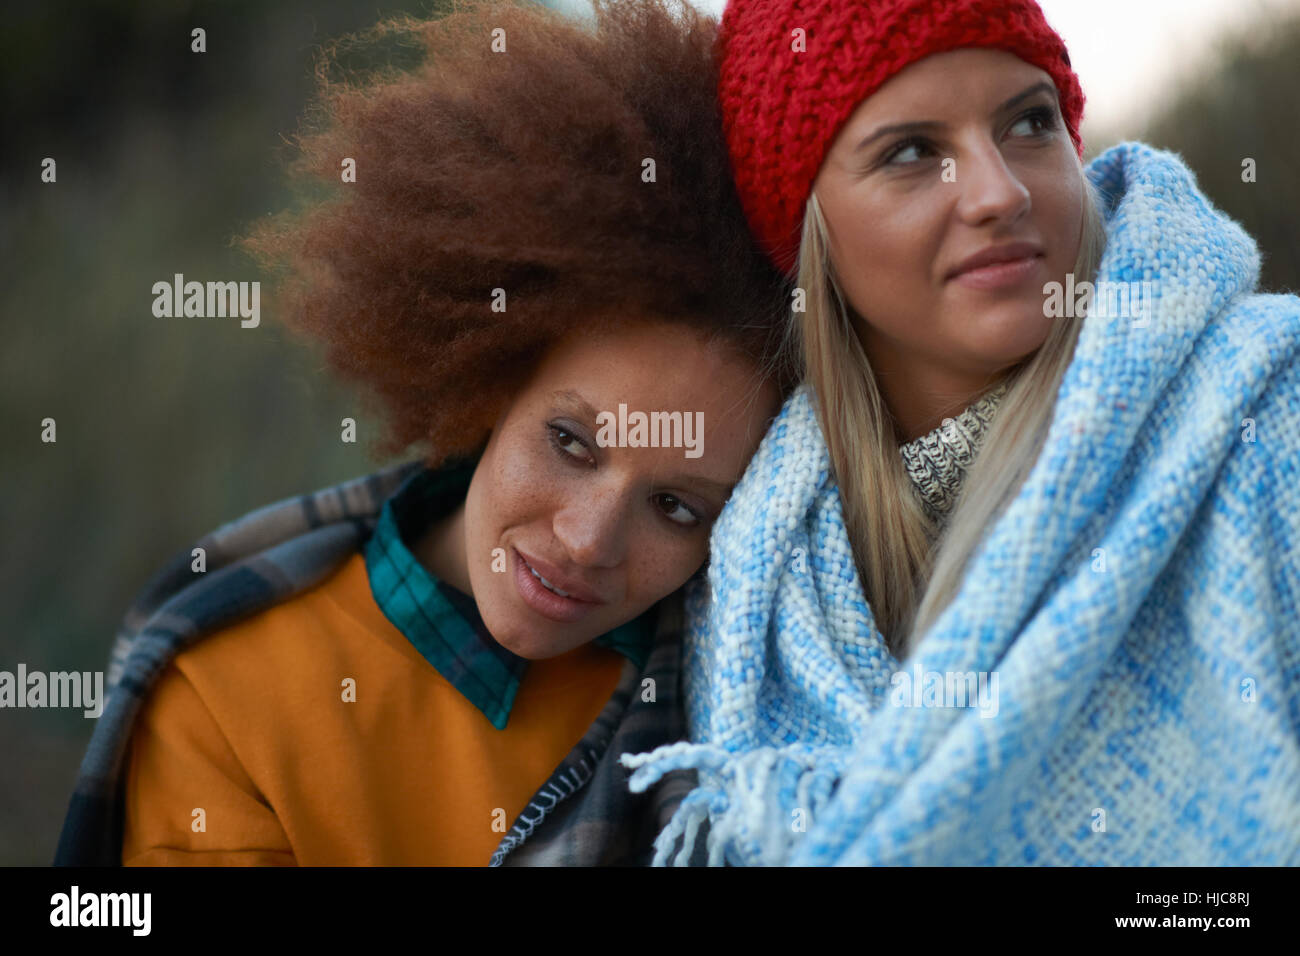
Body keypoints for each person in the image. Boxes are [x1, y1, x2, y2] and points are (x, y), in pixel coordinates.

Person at [52, 0, 794, 866]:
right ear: (486, 378)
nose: (588, 542)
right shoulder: (225, 690)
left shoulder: (743, 710)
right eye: (570, 443)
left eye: (675, 506)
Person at [622, 0, 1300, 865]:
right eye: (912, 152)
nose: (998, 191)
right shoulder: (748, 576)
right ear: (807, 231)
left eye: (1029, 122)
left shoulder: (1267, 412)